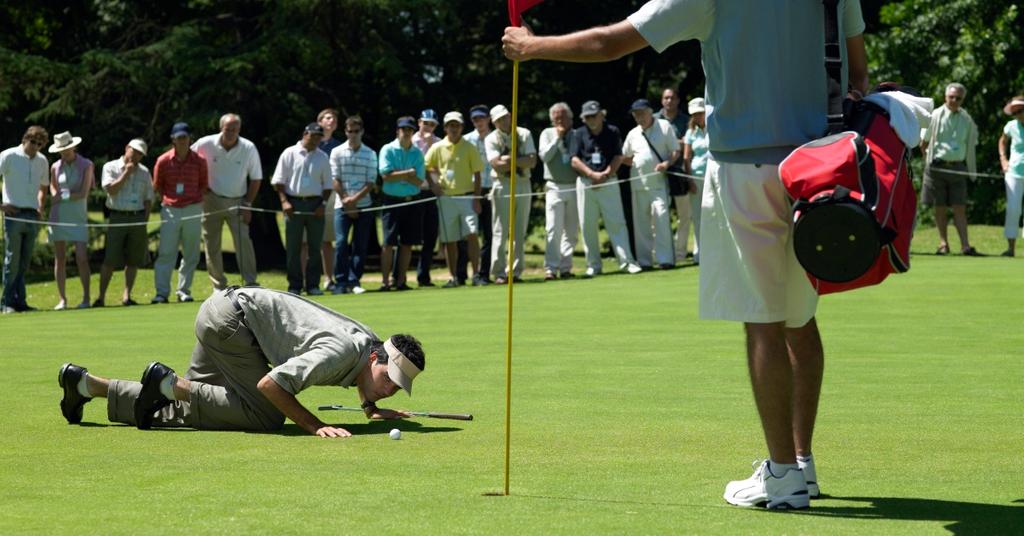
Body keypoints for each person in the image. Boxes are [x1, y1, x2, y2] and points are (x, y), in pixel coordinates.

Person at [503, 0, 869, 510]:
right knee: (799, 320)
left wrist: (531, 46)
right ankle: (801, 463)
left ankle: (783, 474)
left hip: (745, 168)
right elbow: (859, 70)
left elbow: (613, 41)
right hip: (815, 169)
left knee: (761, 320)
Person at [58, 286, 425, 437]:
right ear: (376, 356)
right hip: (232, 325)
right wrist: (315, 426)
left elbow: (366, 378)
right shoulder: (341, 353)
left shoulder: (366, 345)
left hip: (224, 311)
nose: (389, 388)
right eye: (388, 377)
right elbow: (271, 385)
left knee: (194, 406)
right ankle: (169, 384)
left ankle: (84, 384)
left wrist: (369, 406)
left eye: (396, 386)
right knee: (265, 415)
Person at [568, 100, 642, 277]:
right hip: (587, 182)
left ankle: (627, 262)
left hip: (609, 181)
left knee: (617, 223)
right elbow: (574, 159)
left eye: (594, 115)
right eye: (587, 117)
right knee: (587, 225)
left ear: (602, 115)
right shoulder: (578, 133)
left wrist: (606, 174)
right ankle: (593, 265)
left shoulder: (612, 131)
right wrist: (592, 175)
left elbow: (618, 156)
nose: (591, 119)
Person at [191, 113, 262, 290]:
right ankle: (218, 286)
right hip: (211, 199)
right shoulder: (205, 143)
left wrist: (247, 204)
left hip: (238, 200)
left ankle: (250, 282)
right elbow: (188, 161)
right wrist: (200, 185)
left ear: (239, 129)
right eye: (227, 128)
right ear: (221, 128)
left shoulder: (248, 147)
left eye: (234, 129)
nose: (231, 132)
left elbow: (256, 178)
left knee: (243, 242)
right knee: (211, 243)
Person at [424, 111, 487, 287]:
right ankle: (453, 277)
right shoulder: (437, 147)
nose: (454, 129)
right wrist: (433, 185)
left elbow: (477, 173)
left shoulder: (469, 147)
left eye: (457, 125)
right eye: (451, 125)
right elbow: (426, 167)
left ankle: (475, 274)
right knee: (449, 240)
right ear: (445, 128)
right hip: (446, 198)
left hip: (467, 197)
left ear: (461, 127)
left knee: (472, 234)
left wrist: (476, 198)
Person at [272, 123, 333, 296]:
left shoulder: (322, 157)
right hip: (293, 204)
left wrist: (322, 204)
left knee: (315, 248)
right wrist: (284, 202)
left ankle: (313, 285)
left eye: (318, 137)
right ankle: (295, 285)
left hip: (316, 205)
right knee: (293, 248)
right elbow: (278, 181)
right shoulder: (289, 153)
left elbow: (328, 185)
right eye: (313, 135)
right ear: (305, 134)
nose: (315, 140)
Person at [921, 82, 981, 256]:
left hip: (958, 168)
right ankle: (943, 244)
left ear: (963, 99)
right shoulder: (935, 115)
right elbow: (923, 143)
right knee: (939, 207)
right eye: (951, 97)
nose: (954, 100)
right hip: (936, 168)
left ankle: (965, 246)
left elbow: (971, 143)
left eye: (958, 98)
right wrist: (928, 161)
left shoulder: (966, 119)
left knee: (959, 207)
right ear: (945, 97)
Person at [152, 122, 208, 304]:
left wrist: (193, 201)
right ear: (173, 139)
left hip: (193, 208)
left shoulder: (199, 161)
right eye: (179, 138)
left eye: (185, 137)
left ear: (190, 138)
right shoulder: (163, 160)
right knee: (166, 252)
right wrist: (170, 202)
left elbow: (203, 185)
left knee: (191, 253)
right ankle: (161, 293)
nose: (183, 141)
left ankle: (183, 290)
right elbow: (157, 185)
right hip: (170, 209)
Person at [94, 139, 154, 307]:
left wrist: (145, 220)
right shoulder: (111, 167)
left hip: (137, 218)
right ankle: (101, 297)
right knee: (110, 259)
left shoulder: (144, 172)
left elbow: (148, 198)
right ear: (126, 148)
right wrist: (126, 173)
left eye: (140, 154)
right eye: (134, 151)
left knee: (133, 260)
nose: (136, 156)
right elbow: (111, 190)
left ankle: (127, 296)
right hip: (117, 217)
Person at [621, 99, 678, 269]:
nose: (640, 117)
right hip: (638, 185)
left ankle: (665, 259)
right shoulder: (633, 133)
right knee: (641, 225)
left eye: (642, 113)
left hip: (658, 183)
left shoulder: (664, 126)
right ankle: (645, 262)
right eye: (636, 114)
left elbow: (675, 151)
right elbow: (625, 157)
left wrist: (666, 164)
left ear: (650, 111)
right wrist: (637, 163)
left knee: (661, 218)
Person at [485, 104, 537, 284]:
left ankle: (514, 271)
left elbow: (532, 161)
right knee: (500, 230)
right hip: (502, 184)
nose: (503, 122)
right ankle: (499, 272)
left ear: (509, 115)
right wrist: (515, 161)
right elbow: (496, 164)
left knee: (519, 230)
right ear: (494, 122)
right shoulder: (491, 138)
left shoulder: (524, 133)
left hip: (523, 183)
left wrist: (508, 159)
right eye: (498, 120)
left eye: (504, 118)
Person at [1, 126, 49, 314]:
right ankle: (6, 303)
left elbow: (44, 186)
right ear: (25, 139)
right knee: (12, 261)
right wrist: (1, 206)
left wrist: (40, 207)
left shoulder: (42, 160)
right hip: (13, 213)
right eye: (33, 142)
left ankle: (20, 301)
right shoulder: (8, 155)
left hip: (32, 215)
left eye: (40, 144)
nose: (35, 147)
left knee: (24, 262)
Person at [330, 115, 378, 294]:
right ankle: (341, 282)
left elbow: (371, 182)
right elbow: (335, 178)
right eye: (350, 131)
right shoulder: (337, 152)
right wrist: (346, 201)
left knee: (360, 245)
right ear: (345, 132)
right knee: (341, 243)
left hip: (364, 205)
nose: (353, 135)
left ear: (362, 132)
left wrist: (355, 201)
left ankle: (354, 280)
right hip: (341, 205)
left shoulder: (370, 154)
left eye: (357, 131)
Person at [47, 131, 94, 310]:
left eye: (67, 149)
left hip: (78, 217)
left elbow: (83, 193)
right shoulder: (55, 166)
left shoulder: (86, 165)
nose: (64, 152)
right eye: (61, 150)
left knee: (82, 258)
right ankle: (62, 299)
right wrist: (54, 194)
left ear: (74, 147)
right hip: (59, 216)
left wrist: (62, 196)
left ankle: (86, 298)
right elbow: (53, 186)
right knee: (60, 259)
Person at [378, 117, 426, 292]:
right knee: (388, 243)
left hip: (411, 202)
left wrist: (399, 174)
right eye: (403, 129)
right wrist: (408, 173)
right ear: (397, 131)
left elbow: (419, 181)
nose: (406, 133)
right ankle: (385, 282)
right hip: (392, 201)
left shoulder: (417, 153)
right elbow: (385, 175)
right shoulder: (388, 149)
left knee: (407, 243)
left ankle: (400, 281)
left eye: (409, 130)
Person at [539, 102, 580, 280]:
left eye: (563, 117)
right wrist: (557, 137)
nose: (560, 120)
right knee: (553, 228)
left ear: (570, 118)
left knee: (570, 231)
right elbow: (545, 156)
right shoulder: (547, 133)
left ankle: (565, 268)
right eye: (556, 118)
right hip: (554, 186)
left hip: (573, 185)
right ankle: (550, 268)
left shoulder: (577, 134)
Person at [310, 108, 343, 291]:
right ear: (320, 121)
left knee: (327, 240)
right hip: (311, 195)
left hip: (330, 196)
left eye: (334, 118)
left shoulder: (338, 146)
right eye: (328, 118)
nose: (331, 121)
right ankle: (309, 280)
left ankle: (329, 279)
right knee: (308, 242)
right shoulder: (310, 143)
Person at [463, 104, 495, 283]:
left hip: (492, 190)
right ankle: (462, 274)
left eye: (481, 118)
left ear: (488, 119)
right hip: (471, 191)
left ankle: (484, 274)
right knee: (468, 233)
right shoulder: (466, 140)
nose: (479, 122)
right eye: (475, 119)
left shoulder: (497, 137)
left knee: (489, 235)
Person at [412, 109, 441, 287]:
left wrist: (431, 145)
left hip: (432, 192)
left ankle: (424, 276)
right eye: (426, 123)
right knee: (408, 237)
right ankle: (398, 277)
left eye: (432, 124)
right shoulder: (412, 142)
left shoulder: (438, 143)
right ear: (419, 122)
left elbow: (438, 168)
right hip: (414, 192)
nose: (428, 127)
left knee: (430, 236)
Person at [681, 97, 709, 263]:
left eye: (700, 113)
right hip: (696, 176)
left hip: (713, 176)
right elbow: (686, 158)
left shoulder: (714, 128)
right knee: (697, 216)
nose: (698, 117)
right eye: (695, 114)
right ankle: (700, 253)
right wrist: (690, 180)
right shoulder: (690, 133)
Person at [998, 95, 1024, 257]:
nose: (1018, 114)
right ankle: (1011, 248)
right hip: (1014, 173)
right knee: (1013, 210)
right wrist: (1003, 160)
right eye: (1015, 112)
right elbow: (1002, 141)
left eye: (1021, 111)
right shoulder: (1010, 126)